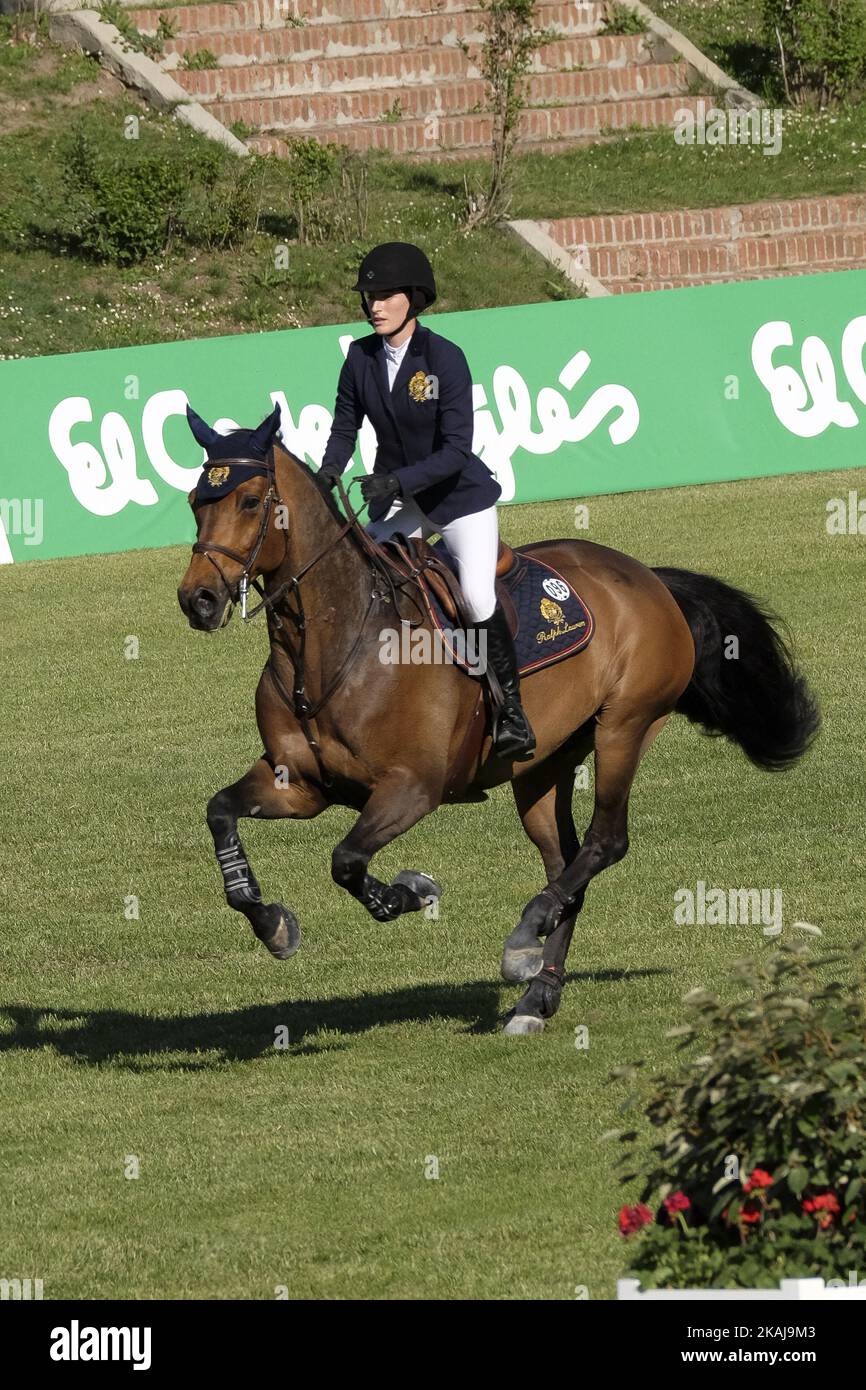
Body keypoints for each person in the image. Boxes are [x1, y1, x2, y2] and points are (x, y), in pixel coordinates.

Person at [319, 241, 536, 761]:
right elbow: (345, 426)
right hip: (401, 503)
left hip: (459, 500)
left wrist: (396, 483)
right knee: (361, 570)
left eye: (385, 295)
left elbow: (457, 450)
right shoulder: (360, 357)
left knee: (479, 597)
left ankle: (514, 717)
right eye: (369, 295)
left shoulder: (445, 358)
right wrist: (327, 472)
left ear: (413, 298)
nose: (374, 304)